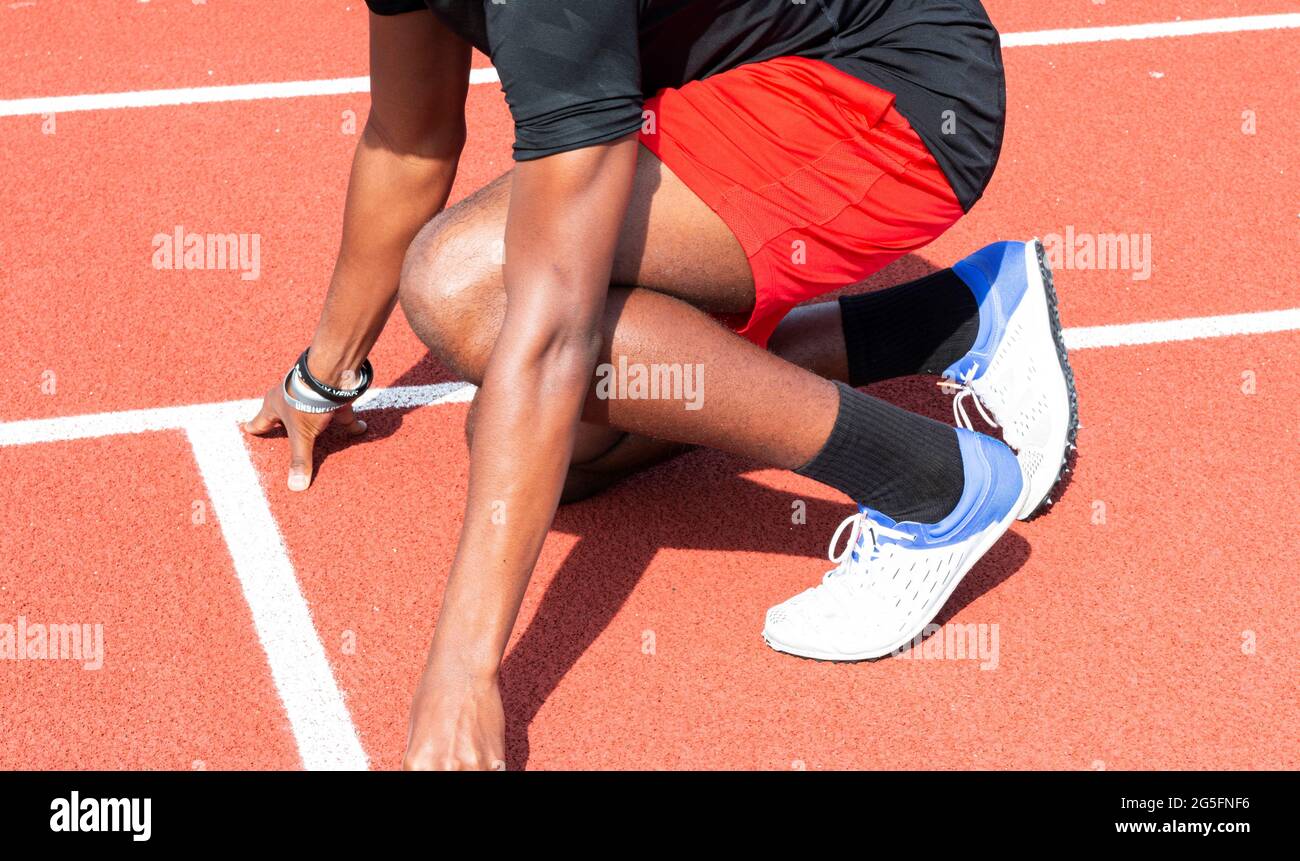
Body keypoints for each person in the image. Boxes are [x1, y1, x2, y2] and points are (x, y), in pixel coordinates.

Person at [244, 0, 1077, 769]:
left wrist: (463, 674)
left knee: (469, 291)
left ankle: (934, 484)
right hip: (752, 80)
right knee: (562, 452)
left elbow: (550, 329)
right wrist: (324, 374)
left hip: (898, 97)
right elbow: (408, 137)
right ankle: (954, 315)